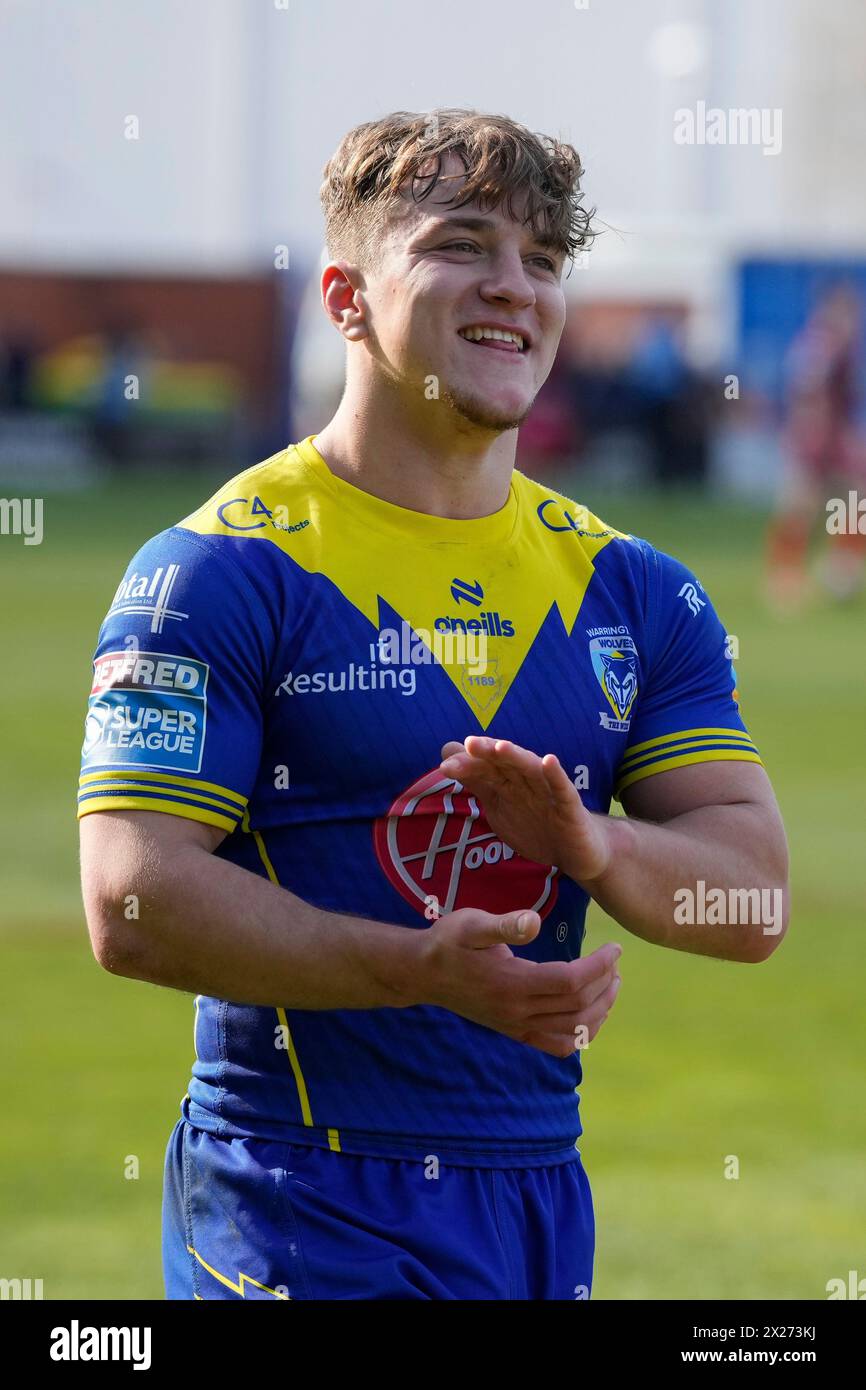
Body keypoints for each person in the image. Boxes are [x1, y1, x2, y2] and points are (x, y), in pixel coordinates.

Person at [78, 109, 789, 1301]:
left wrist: (597, 842)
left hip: (534, 1198)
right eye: (463, 245)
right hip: (298, 1197)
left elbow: (751, 894)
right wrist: (414, 967)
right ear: (346, 297)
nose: (514, 287)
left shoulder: (632, 588)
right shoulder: (218, 568)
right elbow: (130, 896)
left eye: (543, 260)